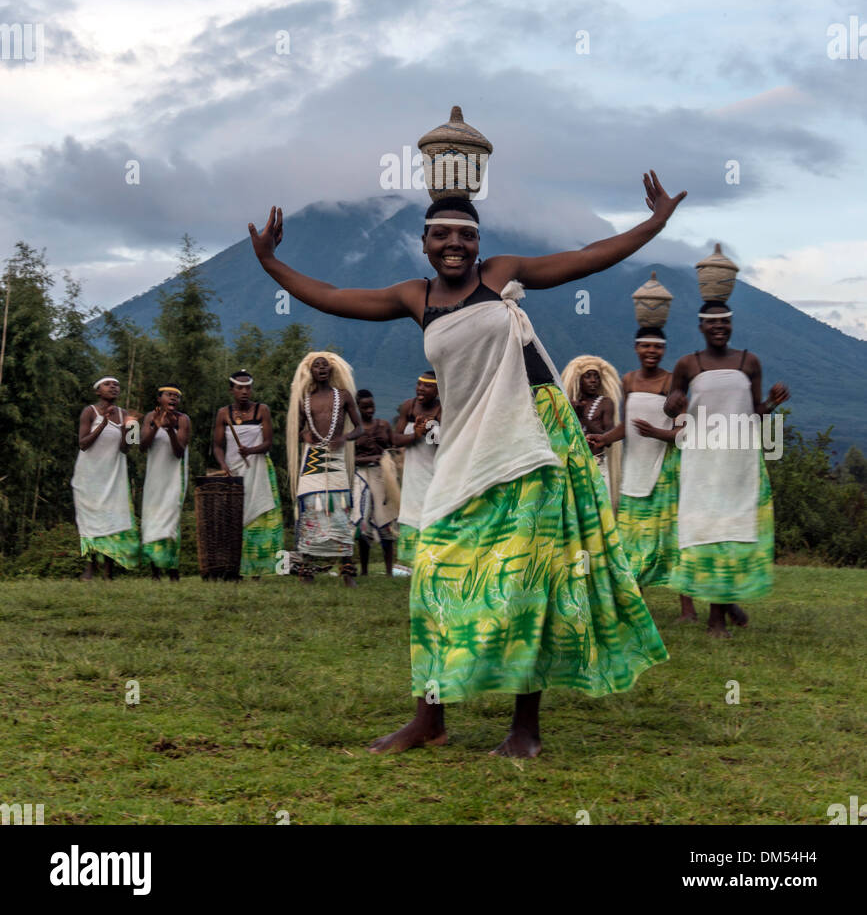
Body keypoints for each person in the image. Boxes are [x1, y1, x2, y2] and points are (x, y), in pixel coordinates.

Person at [249, 167, 685, 757]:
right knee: (432, 571)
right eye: (442, 235)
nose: (455, 244)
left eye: (466, 235)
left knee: (530, 579)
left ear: (478, 242)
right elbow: (336, 298)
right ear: (424, 244)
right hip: (468, 442)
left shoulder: (501, 275)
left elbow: (585, 258)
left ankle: (524, 730)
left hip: (536, 437)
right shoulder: (415, 297)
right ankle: (429, 718)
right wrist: (272, 264)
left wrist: (655, 222)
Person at [664, 302, 790, 638]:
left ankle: (719, 615)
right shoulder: (687, 364)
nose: (720, 327)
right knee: (706, 531)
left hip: (738, 458)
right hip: (702, 459)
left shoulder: (749, 362)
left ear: (731, 325)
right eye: (713, 323)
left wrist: (773, 403)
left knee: (733, 530)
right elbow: (672, 403)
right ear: (701, 327)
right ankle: (721, 608)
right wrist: (673, 403)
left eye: (726, 322)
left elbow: (755, 411)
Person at [589, 330, 696, 622]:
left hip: (663, 471)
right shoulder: (628, 381)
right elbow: (630, 425)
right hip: (634, 471)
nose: (651, 351)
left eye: (657, 346)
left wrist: (658, 433)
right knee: (631, 538)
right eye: (645, 345)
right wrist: (605, 438)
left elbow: (685, 430)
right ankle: (634, 606)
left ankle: (688, 611)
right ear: (636, 348)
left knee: (669, 539)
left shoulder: (672, 382)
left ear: (663, 350)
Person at [286, 353, 363, 586]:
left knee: (340, 510)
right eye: (316, 366)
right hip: (313, 459)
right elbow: (298, 430)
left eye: (325, 365)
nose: (321, 368)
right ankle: (306, 570)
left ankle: (347, 571)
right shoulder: (304, 400)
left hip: (336, 456)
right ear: (310, 371)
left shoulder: (344, 396)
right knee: (310, 509)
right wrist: (304, 434)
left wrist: (345, 437)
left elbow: (359, 428)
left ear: (331, 371)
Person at [213, 370, 283, 579]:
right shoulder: (223, 413)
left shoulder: (262, 410)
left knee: (260, 520)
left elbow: (268, 443)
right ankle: (234, 569)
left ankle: (258, 571)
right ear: (231, 390)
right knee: (234, 520)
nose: (244, 391)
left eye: (248, 388)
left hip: (258, 469)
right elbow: (217, 446)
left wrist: (251, 450)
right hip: (234, 472)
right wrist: (223, 464)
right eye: (239, 388)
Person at [73, 377, 141, 580]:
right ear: (97, 391)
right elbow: (83, 444)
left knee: (112, 520)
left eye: (116, 385)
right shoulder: (90, 411)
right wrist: (103, 423)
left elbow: (127, 448)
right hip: (89, 477)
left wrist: (131, 429)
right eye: (108, 384)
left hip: (114, 477)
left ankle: (108, 571)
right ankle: (90, 566)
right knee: (91, 520)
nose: (113, 387)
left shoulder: (124, 414)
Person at [140, 385, 190, 581]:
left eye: (176, 397)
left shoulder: (183, 420)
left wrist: (169, 430)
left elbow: (179, 452)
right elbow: (142, 446)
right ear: (159, 398)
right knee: (152, 521)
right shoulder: (148, 417)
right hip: (154, 478)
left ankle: (173, 570)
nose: (173, 399)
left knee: (171, 522)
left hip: (174, 478)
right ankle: (155, 571)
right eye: (169, 395)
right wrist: (155, 427)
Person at [561, 357, 623, 513]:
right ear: (579, 380)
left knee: (602, 511)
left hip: (598, 467)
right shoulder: (571, 405)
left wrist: (583, 419)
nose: (593, 380)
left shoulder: (605, 403)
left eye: (596, 377)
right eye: (588, 376)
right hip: (575, 467)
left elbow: (608, 438)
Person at [350, 390, 401, 577]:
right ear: (358, 408)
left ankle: (388, 572)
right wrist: (372, 457)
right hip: (362, 476)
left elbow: (392, 446)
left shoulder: (384, 425)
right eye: (365, 407)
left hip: (382, 476)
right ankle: (363, 571)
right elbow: (351, 458)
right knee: (363, 524)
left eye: (372, 406)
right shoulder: (354, 430)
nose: (369, 410)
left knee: (386, 521)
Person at [393, 372, 441, 566]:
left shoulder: (442, 409)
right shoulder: (408, 406)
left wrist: (431, 430)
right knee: (412, 510)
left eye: (427, 386)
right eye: (419, 384)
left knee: (431, 510)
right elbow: (395, 439)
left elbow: (446, 443)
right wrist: (415, 434)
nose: (420, 388)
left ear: (438, 390)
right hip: (412, 471)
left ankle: (432, 560)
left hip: (434, 470)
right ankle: (412, 563)